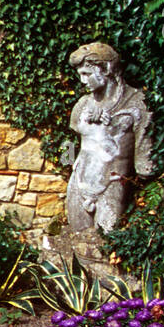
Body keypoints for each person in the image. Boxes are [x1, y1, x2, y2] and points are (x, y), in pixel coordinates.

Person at [65, 41, 153, 232]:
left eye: (86, 74)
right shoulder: (82, 105)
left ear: (105, 68)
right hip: (78, 185)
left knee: (106, 244)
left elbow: (146, 167)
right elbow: (70, 142)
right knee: (77, 244)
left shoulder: (136, 104)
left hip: (112, 187)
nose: (82, 80)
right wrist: (70, 162)